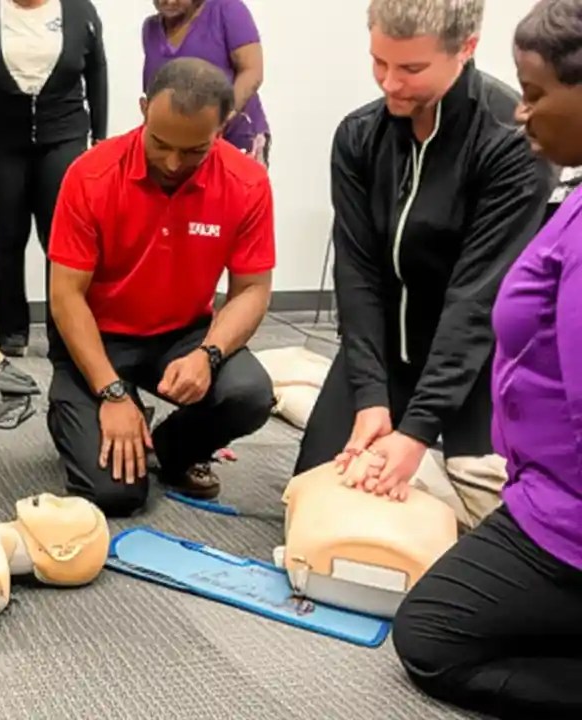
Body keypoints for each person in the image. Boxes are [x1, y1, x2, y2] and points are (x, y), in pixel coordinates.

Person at [392, 2, 582, 716]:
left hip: (567, 516)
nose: (522, 114)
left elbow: (476, 304)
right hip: (545, 486)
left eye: (534, 95)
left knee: (429, 639)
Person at [294, 0, 554, 519]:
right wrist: (371, 396)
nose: (389, 83)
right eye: (379, 62)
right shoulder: (358, 136)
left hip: (478, 357)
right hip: (386, 347)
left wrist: (416, 430)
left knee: (502, 521)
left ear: (467, 49)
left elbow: (475, 301)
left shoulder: (509, 145)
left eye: (411, 68)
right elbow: (358, 272)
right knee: (319, 493)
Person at [45, 57, 275, 518]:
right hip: (98, 336)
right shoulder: (90, 174)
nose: (173, 163)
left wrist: (208, 355)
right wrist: (111, 392)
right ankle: (75, 408)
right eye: (161, 143)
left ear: (222, 127)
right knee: (116, 496)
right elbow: (66, 295)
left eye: (193, 151)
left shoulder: (247, 183)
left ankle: (169, 447)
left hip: (180, 334)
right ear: (144, 108)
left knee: (249, 393)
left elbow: (252, 290)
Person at [0, 0, 108, 357]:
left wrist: (100, 137)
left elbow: (97, 71)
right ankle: (12, 331)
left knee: (61, 238)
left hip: (63, 133)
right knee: (6, 233)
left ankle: (64, 329)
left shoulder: (80, 11)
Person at [142, 0, 270, 166]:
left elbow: (252, 71)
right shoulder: (151, 29)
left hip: (234, 136)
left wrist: (221, 119)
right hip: (182, 146)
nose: (169, 1)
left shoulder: (227, 9)